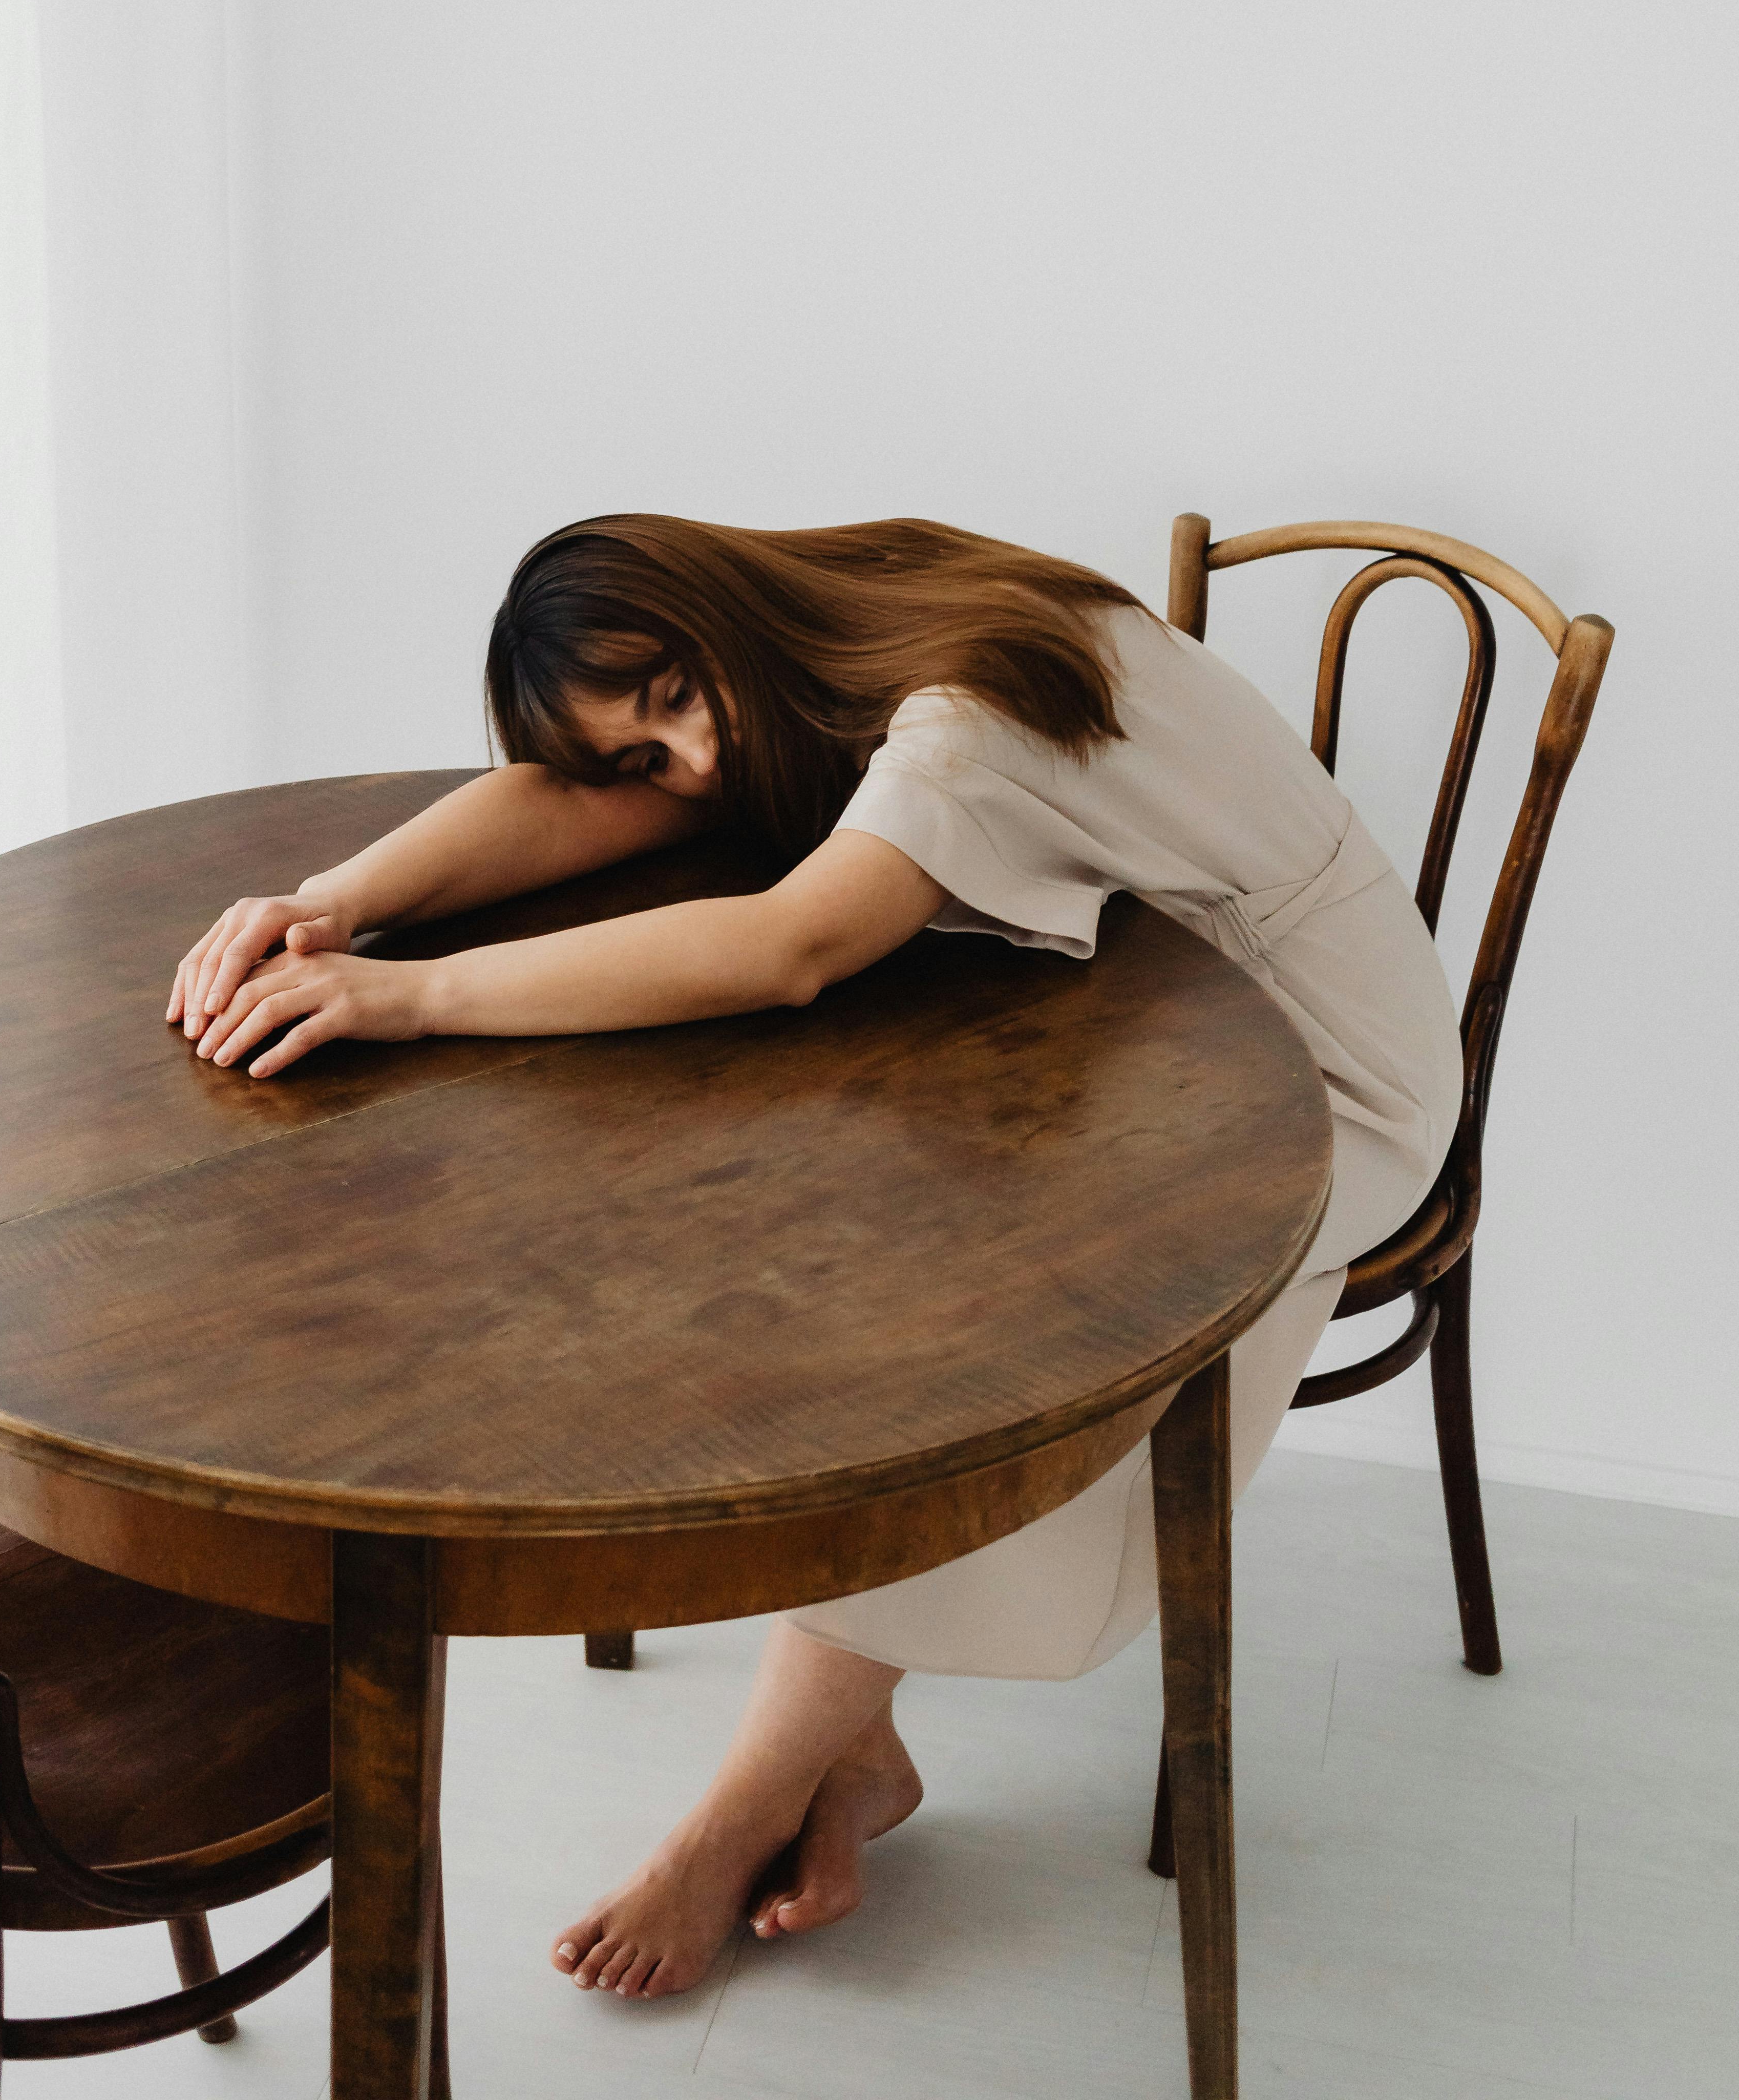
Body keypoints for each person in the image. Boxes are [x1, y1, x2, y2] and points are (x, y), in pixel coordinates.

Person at [164, 513, 1463, 2003]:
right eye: (648, 743)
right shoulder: (850, 628)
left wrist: (411, 1001)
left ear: (716, 610)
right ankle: (854, 1749)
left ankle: (750, 1802)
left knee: (962, 1317)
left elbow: (791, 945)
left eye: (674, 701)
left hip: (1319, 1083)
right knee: (852, 1197)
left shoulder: (964, 710)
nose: (695, 763)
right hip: (1151, 1025)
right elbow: (600, 805)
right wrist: (337, 903)